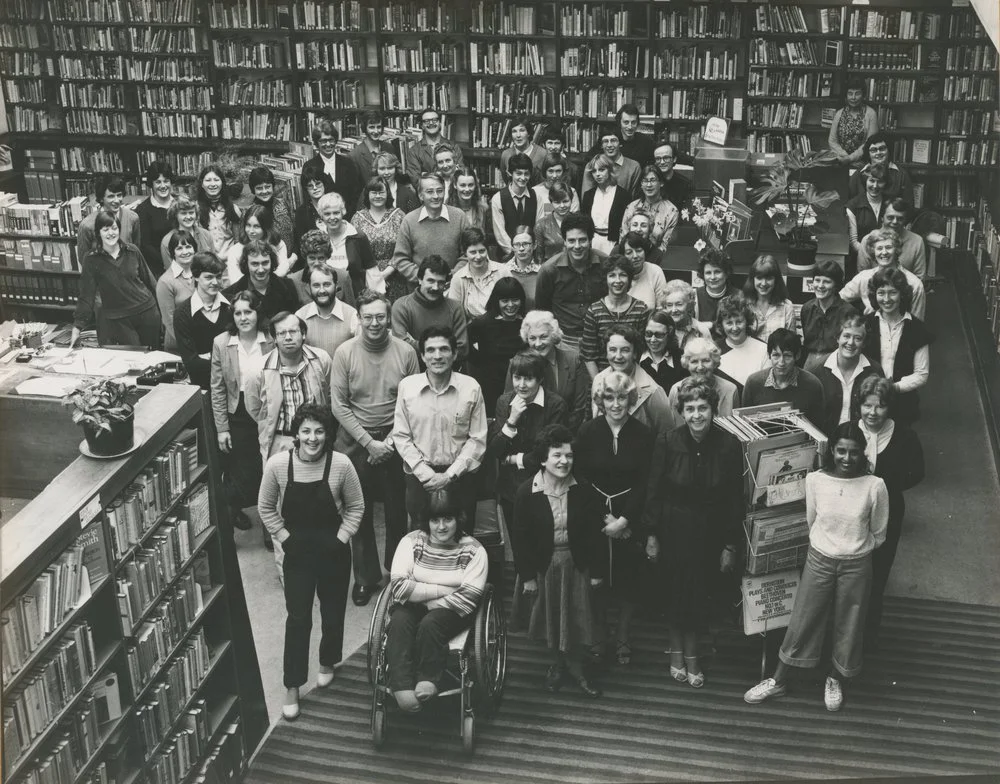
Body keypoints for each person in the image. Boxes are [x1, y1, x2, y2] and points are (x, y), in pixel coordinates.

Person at [744, 423, 888, 712]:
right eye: (841, 451)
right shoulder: (815, 480)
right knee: (803, 619)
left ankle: (834, 679)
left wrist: (852, 549)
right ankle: (778, 679)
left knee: (849, 622)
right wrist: (830, 546)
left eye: (854, 452)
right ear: (831, 450)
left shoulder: (875, 486)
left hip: (856, 564)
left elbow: (879, 533)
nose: (847, 458)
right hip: (819, 559)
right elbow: (813, 521)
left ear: (863, 453)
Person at [257, 403, 364, 720]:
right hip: (298, 553)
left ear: (328, 434)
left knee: (332, 614)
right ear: (296, 433)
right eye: (306, 430)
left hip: (333, 550)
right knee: (298, 617)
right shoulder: (278, 465)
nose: (312, 438)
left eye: (319, 431)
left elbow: (357, 507)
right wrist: (286, 538)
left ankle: (328, 660)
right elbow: (266, 509)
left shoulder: (342, 465)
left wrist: (341, 538)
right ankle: (292, 685)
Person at [645, 377, 743, 687]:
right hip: (674, 529)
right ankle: (680, 655)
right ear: (681, 412)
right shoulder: (667, 441)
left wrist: (729, 544)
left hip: (709, 533)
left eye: (703, 408)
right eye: (690, 409)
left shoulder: (728, 444)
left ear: (714, 410)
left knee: (699, 596)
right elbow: (654, 492)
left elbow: (732, 498)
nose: (697, 415)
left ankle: (692, 653)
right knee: (676, 595)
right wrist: (651, 535)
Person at [330, 291, 420, 607]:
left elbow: (412, 401)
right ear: (359, 318)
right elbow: (339, 405)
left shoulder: (407, 352)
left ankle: (396, 575)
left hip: (397, 439)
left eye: (380, 316)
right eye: (367, 316)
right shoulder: (344, 353)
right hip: (356, 441)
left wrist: (390, 442)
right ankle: (365, 578)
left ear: (389, 318)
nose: (374, 323)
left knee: (398, 510)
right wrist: (370, 444)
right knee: (359, 511)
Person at [510, 424, 605, 697]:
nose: (564, 461)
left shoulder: (584, 489)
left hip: (575, 564)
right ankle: (557, 663)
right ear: (543, 458)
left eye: (569, 455)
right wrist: (527, 577)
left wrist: (596, 572)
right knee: (552, 618)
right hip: (544, 565)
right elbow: (520, 540)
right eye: (557, 455)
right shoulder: (527, 493)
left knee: (576, 617)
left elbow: (595, 535)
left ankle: (577, 667)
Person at [574, 370, 653, 669]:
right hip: (594, 515)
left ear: (631, 399)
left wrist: (624, 520)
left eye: (622, 397)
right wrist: (604, 516)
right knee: (596, 580)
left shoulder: (644, 434)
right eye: (610, 397)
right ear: (600, 400)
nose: (616, 404)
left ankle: (622, 635)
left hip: (630, 516)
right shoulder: (587, 432)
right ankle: (597, 635)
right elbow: (579, 477)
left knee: (628, 580)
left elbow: (647, 481)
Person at [386, 492, 488, 712]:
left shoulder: (474, 550)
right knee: (399, 621)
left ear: (458, 519)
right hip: (413, 606)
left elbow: (468, 598)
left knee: (430, 623)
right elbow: (399, 586)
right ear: (427, 522)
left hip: (452, 611)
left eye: (447, 519)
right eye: (435, 520)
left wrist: (423, 599)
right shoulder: (411, 541)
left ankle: (428, 677)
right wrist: (445, 590)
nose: (441, 526)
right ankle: (401, 684)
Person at [392, 326, 487, 533]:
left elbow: (477, 439)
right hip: (419, 479)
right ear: (423, 356)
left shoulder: (471, 388)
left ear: (454, 354)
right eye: (431, 350)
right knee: (421, 537)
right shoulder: (407, 387)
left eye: (444, 349)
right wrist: (426, 474)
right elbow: (401, 436)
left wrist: (449, 475)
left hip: (459, 477)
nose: (437, 356)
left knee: (461, 536)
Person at [856, 376, 925, 652]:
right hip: (852, 514)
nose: (872, 413)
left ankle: (867, 637)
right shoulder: (848, 431)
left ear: (889, 408)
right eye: (867, 406)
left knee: (877, 575)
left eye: (880, 407)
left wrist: (883, 486)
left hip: (888, 513)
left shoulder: (905, 435)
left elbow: (917, 473)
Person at [210, 290, 274, 534]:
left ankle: (270, 527)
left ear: (258, 313)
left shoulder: (270, 339)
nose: (243, 317)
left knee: (267, 469)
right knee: (238, 473)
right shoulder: (222, 343)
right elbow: (217, 389)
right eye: (238, 313)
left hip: (266, 414)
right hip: (237, 416)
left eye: (248, 311)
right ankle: (234, 515)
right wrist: (222, 429)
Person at [489, 351, 568, 535]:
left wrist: (513, 459)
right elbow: (494, 450)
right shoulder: (504, 402)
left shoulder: (556, 405)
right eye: (517, 378)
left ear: (540, 379)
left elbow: (549, 454)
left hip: (545, 487)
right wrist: (512, 420)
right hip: (511, 490)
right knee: (518, 547)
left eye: (529, 379)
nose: (522, 385)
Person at [245, 311, 333, 471]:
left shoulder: (321, 359)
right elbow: (255, 409)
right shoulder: (257, 370)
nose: (287, 337)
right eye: (281, 333)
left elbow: (327, 395)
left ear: (303, 334)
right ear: (274, 338)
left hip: (315, 440)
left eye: (293, 331)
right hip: (279, 442)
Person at [70, 210, 159, 349]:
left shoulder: (132, 251)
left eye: (114, 228)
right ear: (98, 233)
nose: (111, 233)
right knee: (132, 359)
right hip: (118, 319)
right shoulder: (91, 259)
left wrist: (163, 314)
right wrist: (77, 327)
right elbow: (86, 296)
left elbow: (149, 281)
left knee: (152, 358)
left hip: (147, 312)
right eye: (105, 229)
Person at [862, 267, 931, 427]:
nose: (886, 299)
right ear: (874, 295)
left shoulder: (917, 329)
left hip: (902, 404)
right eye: (881, 293)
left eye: (892, 292)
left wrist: (892, 389)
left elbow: (921, 374)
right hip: (867, 401)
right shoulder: (866, 324)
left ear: (902, 294)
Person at [505, 310, 592, 432]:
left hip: (565, 433)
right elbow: (508, 403)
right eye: (532, 338)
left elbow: (579, 409)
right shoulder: (517, 363)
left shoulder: (574, 360)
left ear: (554, 336)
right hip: (527, 435)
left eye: (543, 337)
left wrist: (558, 436)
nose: (538, 343)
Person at [534, 213, 608, 350]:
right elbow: (542, 311)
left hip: (600, 339)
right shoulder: (549, 270)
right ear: (564, 241)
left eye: (582, 240)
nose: (577, 246)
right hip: (564, 340)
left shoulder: (605, 264)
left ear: (591, 240)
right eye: (572, 241)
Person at [390, 171, 470, 281]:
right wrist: (424, 278)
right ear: (420, 195)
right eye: (430, 192)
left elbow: (468, 253)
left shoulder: (459, 217)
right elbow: (400, 259)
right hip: (419, 288)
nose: (436, 196)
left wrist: (452, 276)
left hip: (453, 286)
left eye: (439, 191)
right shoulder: (409, 220)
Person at [591, 325, 673, 433]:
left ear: (635, 353)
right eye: (612, 350)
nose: (618, 356)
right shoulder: (599, 380)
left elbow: (667, 434)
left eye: (625, 350)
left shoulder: (653, 391)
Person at [580, 256, 650, 379]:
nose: (617, 280)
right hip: (601, 378)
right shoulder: (594, 311)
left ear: (629, 279)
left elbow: (640, 351)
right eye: (612, 275)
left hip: (632, 379)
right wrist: (600, 384)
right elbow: (589, 356)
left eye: (622, 275)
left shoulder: (640, 309)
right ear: (605, 279)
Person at [814, 314, 884, 436]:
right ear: (837, 338)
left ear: (864, 343)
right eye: (846, 336)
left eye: (857, 338)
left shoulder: (874, 371)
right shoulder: (816, 370)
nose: (850, 343)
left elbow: (881, 410)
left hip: (862, 442)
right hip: (824, 441)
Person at [391, 256, 469, 364]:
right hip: (412, 371)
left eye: (441, 282)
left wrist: (415, 344)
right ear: (419, 279)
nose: (436, 287)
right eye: (431, 281)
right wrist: (446, 347)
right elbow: (400, 347)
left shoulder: (455, 308)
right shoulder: (402, 306)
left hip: (447, 371)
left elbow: (462, 349)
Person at [468, 277, 527, 415]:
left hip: (521, 384)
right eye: (505, 301)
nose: (511, 305)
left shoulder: (526, 321)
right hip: (491, 385)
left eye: (515, 300)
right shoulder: (483, 322)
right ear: (497, 301)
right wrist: (480, 361)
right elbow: (464, 343)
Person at [743, 329, 826, 426]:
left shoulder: (813, 385)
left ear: (797, 355)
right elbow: (746, 425)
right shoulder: (753, 383)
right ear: (769, 355)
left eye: (787, 356)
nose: (781, 362)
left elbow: (819, 426)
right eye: (776, 355)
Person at [174, 252, 231, 390]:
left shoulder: (231, 306)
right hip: (203, 386)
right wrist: (227, 361)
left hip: (233, 384)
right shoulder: (183, 313)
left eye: (218, 277)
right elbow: (192, 363)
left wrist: (208, 357)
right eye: (209, 277)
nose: (215, 282)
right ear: (196, 277)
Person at [841, 228, 926, 320]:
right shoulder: (864, 277)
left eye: (889, 247)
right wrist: (855, 318)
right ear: (873, 252)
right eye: (879, 248)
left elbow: (917, 322)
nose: (884, 252)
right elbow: (838, 300)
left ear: (897, 250)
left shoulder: (914, 284)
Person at [350, 176, 408, 302]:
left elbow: (404, 247)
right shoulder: (357, 218)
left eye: (381, 192)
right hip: (367, 279)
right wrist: (373, 277)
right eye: (374, 192)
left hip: (395, 276)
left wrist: (386, 273)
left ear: (388, 193)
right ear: (367, 194)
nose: (378, 196)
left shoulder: (399, 216)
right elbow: (354, 251)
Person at [666, 337, 741, 427]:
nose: (700, 367)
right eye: (694, 362)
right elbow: (673, 428)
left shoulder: (730, 390)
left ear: (714, 362)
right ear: (687, 364)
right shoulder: (676, 390)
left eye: (705, 361)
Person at [295, 263, 359, 362]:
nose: (322, 290)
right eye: (316, 285)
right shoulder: (300, 317)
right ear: (309, 287)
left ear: (336, 285)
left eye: (326, 284)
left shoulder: (352, 316)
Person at [317, 191, 371, 307]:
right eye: (327, 214)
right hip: (325, 297)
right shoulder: (317, 238)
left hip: (356, 297)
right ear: (321, 215)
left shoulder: (358, 236)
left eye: (336, 213)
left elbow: (371, 270)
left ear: (343, 212)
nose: (332, 218)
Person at [223, 240, 301, 321]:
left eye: (265, 263)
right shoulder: (230, 294)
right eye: (255, 264)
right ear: (246, 264)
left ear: (272, 262)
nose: (261, 270)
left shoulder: (288, 286)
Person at [800, 261, 855, 373]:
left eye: (827, 282)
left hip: (836, 364)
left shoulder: (848, 311)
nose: (820, 286)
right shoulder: (807, 308)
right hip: (809, 363)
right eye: (817, 280)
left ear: (836, 285)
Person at [302, 118, 362, 219]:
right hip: (321, 220)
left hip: (348, 218)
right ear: (317, 143)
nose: (328, 144)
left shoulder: (348, 163)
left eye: (331, 140)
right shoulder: (309, 166)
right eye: (323, 141)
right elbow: (308, 199)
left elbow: (356, 195)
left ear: (335, 140)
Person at [447, 226, 510, 319]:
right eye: (473, 252)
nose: (478, 256)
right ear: (465, 253)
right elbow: (454, 314)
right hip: (472, 330)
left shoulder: (502, 271)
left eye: (482, 251)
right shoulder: (458, 278)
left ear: (487, 250)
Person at [76, 174, 141, 261]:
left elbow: (136, 250)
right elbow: (84, 259)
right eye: (111, 196)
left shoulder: (133, 218)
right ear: (101, 198)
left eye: (119, 195)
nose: (117, 200)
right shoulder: (87, 225)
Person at [857, 198, 927, 278]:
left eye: (900, 219)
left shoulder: (917, 241)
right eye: (890, 217)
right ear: (882, 218)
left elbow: (919, 278)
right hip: (874, 288)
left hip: (906, 288)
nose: (895, 222)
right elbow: (862, 276)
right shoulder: (867, 240)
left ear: (905, 220)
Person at [226, 203, 294, 284]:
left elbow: (283, 268)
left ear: (266, 227)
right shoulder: (235, 250)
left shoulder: (278, 244)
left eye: (256, 226)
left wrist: (266, 283)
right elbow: (234, 279)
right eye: (248, 225)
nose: (251, 231)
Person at [715, 293, 769, 391]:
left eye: (739, 322)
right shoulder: (713, 350)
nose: (735, 328)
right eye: (729, 323)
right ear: (721, 325)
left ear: (747, 321)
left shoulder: (764, 349)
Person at [580, 154, 631, 256]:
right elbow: (584, 222)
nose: (597, 174)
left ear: (610, 170)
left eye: (601, 170)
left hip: (614, 243)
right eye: (594, 171)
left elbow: (626, 225)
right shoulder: (588, 195)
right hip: (592, 242)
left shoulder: (623, 195)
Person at [156, 230, 197, 351]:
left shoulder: (200, 273)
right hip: (179, 344)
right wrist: (190, 345)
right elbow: (169, 322)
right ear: (172, 252)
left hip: (201, 340)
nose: (185, 252)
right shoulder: (165, 281)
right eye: (179, 248)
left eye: (188, 247)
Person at [620, 166, 679, 251]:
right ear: (641, 184)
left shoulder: (671, 211)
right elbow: (623, 238)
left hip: (658, 259)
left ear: (661, 183)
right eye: (645, 181)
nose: (649, 185)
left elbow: (666, 245)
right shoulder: (632, 207)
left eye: (653, 180)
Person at [133, 161, 175, 277]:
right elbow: (146, 245)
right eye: (158, 182)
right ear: (151, 184)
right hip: (159, 269)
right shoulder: (143, 210)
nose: (163, 186)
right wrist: (169, 263)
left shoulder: (179, 204)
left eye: (166, 181)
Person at [491, 152, 538, 256]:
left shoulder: (536, 197)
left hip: (531, 255)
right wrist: (516, 253)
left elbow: (538, 229)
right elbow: (500, 234)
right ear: (510, 173)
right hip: (506, 256)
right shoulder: (497, 198)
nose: (523, 177)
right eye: (519, 173)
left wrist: (528, 253)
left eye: (526, 174)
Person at [743, 255, 797, 343]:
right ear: (752, 279)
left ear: (776, 280)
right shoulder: (744, 305)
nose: (763, 283)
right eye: (759, 278)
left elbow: (791, 343)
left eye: (769, 278)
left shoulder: (787, 307)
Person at [847, 132, 914, 203]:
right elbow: (851, 205)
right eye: (873, 150)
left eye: (882, 149)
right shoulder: (858, 175)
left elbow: (908, 204)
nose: (878, 153)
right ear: (868, 154)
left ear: (888, 150)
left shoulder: (902, 175)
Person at [405, 107, 464, 186]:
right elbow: (416, 180)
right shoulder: (414, 151)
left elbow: (460, 174)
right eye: (426, 121)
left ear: (440, 123)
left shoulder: (454, 147)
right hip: (427, 195)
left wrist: (426, 175)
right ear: (422, 125)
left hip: (451, 192)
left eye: (435, 120)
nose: (431, 123)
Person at [828, 79, 879, 166]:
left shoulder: (871, 114)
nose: (853, 97)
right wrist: (845, 157)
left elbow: (870, 143)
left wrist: (850, 158)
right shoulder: (839, 114)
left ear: (863, 95)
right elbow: (832, 141)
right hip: (841, 160)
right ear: (846, 95)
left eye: (857, 93)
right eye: (850, 93)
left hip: (862, 162)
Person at [195, 164, 242, 258]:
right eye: (208, 180)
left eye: (216, 180)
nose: (212, 184)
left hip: (230, 262)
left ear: (222, 183)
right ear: (202, 184)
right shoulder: (195, 209)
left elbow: (238, 241)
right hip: (206, 263)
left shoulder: (233, 209)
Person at [159, 194, 215, 271]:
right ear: (175, 215)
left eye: (191, 212)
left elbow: (213, 263)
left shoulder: (206, 235)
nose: (188, 217)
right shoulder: (167, 241)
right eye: (183, 213)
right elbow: (170, 271)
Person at [347, 110, 395, 195]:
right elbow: (355, 190)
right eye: (372, 127)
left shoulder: (389, 148)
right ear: (364, 128)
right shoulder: (354, 156)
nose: (376, 131)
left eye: (379, 127)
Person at [292, 167, 336, 260]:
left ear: (324, 184)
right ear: (306, 189)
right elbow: (301, 243)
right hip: (313, 258)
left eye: (318, 184)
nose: (315, 188)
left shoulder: (335, 204)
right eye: (310, 186)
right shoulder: (301, 212)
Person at [581, 130, 641, 198]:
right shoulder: (591, 166)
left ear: (620, 144)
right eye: (605, 141)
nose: (609, 145)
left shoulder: (634, 167)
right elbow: (586, 197)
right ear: (601, 145)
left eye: (613, 140)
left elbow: (634, 198)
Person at [248, 165, 294, 252]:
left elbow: (294, 231)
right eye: (259, 188)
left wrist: (294, 257)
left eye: (267, 186)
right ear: (253, 190)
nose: (264, 191)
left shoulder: (284, 204)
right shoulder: (249, 212)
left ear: (273, 186)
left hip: (290, 259)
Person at [846, 165, 888, 258]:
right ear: (865, 181)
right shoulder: (853, 206)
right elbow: (854, 242)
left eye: (880, 181)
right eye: (872, 180)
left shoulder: (890, 204)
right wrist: (874, 256)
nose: (875, 186)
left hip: (888, 256)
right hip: (863, 256)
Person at [619, 232, 668, 311]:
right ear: (623, 256)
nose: (635, 256)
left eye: (639, 250)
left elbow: (662, 310)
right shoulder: (618, 275)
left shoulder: (655, 272)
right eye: (629, 252)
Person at [640, 310, 686, 392]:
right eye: (648, 334)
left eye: (659, 335)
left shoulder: (681, 359)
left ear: (670, 333)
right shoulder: (635, 358)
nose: (653, 340)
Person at [447, 165, 492, 246]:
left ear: (475, 185)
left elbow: (486, 239)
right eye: (463, 185)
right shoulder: (447, 210)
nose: (467, 189)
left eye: (470, 185)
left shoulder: (483, 209)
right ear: (455, 185)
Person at [662, 279, 713, 349]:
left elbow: (710, 357)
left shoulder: (701, 330)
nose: (673, 310)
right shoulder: (661, 328)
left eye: (679, 304)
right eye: (669, 305)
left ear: (690, 305)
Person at [694, 249, 740, 324]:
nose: (712, 277)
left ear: (726, 273)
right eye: (708, 273)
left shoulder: (739, 296)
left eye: (717, 272)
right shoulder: (695, 296)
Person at [532, 183, 574, 263]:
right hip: (550, 271)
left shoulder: (579, 222)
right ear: (551, 202)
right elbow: (538, 256)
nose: (562, 206)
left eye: (565, 201)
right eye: (557, 202)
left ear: (571, 200)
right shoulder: (541, 225)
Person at [532, 153, 580, 220]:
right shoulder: (535, 191)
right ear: (544, 172)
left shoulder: (572, 191)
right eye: (550, 171)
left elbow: (575, 219)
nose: (554, 176)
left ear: (563, 172)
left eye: (558, 171)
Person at [503, 225, 541, 309]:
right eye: (517, 244)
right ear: (512, 247)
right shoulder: (504, 271)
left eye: (526, 244)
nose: (521, 248)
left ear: (534, 245)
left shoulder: (542, 271)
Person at [499, 116, 547, 181]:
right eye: (514, 131)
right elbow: (506, 179)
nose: (518, 135)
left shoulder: (542, 154)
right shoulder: (506, 154)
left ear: (528, 133)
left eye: (522, 130)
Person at [653, 139, 693, 211]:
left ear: (674, 159)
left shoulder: (685, 185)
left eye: (666, 158)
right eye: (658, 159)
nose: (662, 162)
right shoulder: (650, 183)